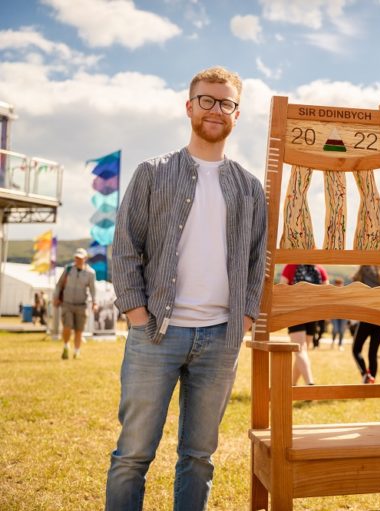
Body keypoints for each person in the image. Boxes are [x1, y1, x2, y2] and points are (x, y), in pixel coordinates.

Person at [105, 66, 267, 511]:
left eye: (226, 103)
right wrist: (137, 314)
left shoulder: (250, 188)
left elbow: (258, 262)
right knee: (133, 454)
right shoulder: (152, 173)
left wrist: (246, 318)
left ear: (238, 113)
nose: (216, 110)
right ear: (189, 106)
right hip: (156, 332)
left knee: (199, 458)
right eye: (208, 100)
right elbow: (124, 249)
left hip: (221, 338)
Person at [280, 263, 328, 385]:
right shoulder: (319, 269)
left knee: (301, 350)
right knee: (302, 350)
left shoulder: (291, 266)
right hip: (313, 312)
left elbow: (281, 289)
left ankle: (306, 384)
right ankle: (298, 384)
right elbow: (327, 292)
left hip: (295, 310)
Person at [350, 265, 380, 384]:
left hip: (368, 316)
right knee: (373, 353)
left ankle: (365, 375)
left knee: (356, 349)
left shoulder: (362, 272)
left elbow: (354, 292)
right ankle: (371, 380)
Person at [53, 248, 97, 360]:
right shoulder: (68, 269)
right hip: (67, 303)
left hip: (82, 305)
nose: (78, 260)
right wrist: (56, 297)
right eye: (76, 257)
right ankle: (66, 346)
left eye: (80, 258)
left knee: (79, 330)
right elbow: (59, 284)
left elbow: (93, 290)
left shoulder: (91, 273)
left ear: (85, 259)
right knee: (67, 327)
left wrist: (94, 302)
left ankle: (76, 351)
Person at [329, 277, 348, 351]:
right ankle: (333, 341)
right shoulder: (332, 293)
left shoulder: (346, 293)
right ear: (335, 284)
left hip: (344, 315)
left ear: (342, 284)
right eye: (337, 284)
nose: (339, 286)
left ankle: (340, 344)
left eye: (340, 284)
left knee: (341, 330)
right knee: (335, 329)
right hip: (334, 314)